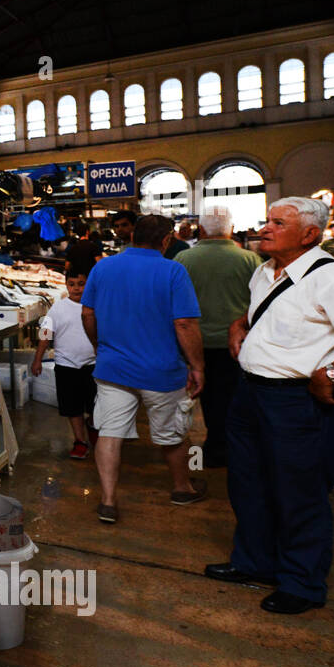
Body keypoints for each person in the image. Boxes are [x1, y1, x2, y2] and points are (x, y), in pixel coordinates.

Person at [206, 197, 334, 614]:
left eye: (278, 222)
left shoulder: (332, 279)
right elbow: (261, 314)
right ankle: (254, 561)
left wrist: (330, 374)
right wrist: (240, 324)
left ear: (309, 234)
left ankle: (302, 583)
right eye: (267, 220)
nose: (265, 227)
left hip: (295, 401)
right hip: (251, 393)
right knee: (248, 483)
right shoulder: (264, 272)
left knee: (299, 492)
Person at [80, 214, 207, 524]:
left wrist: (100, 347)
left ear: (133, 235)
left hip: (113, 369)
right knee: (172, 434)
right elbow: (185, 323)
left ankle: (108, 501)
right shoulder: (173, 270)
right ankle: (182, 487)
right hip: (161, 371)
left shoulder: (104, 267)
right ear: (166, 240)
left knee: (110, 433)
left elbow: (87, 314)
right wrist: (197, 366)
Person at [174, 206, 262, 468]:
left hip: (195, 343)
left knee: (209, 397)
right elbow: (260, 302)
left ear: (200, 230)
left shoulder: (183, 260)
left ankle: (213, 446)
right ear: (231, 229)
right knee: (234, 395)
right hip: (236, 343)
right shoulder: (250, 260)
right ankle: (232, 446)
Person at [31, 269, 97, 458]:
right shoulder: (58, 308)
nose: (76, 288)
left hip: (93, 364)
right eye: (72, 284)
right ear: (66, 285)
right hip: (66, 364)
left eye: (81, 284)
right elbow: (45, 334)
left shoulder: (95, 306)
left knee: (96, 404)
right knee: (72, 406)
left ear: (88, 284)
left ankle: (92, 424)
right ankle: (80, 441)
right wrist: (38, 359)